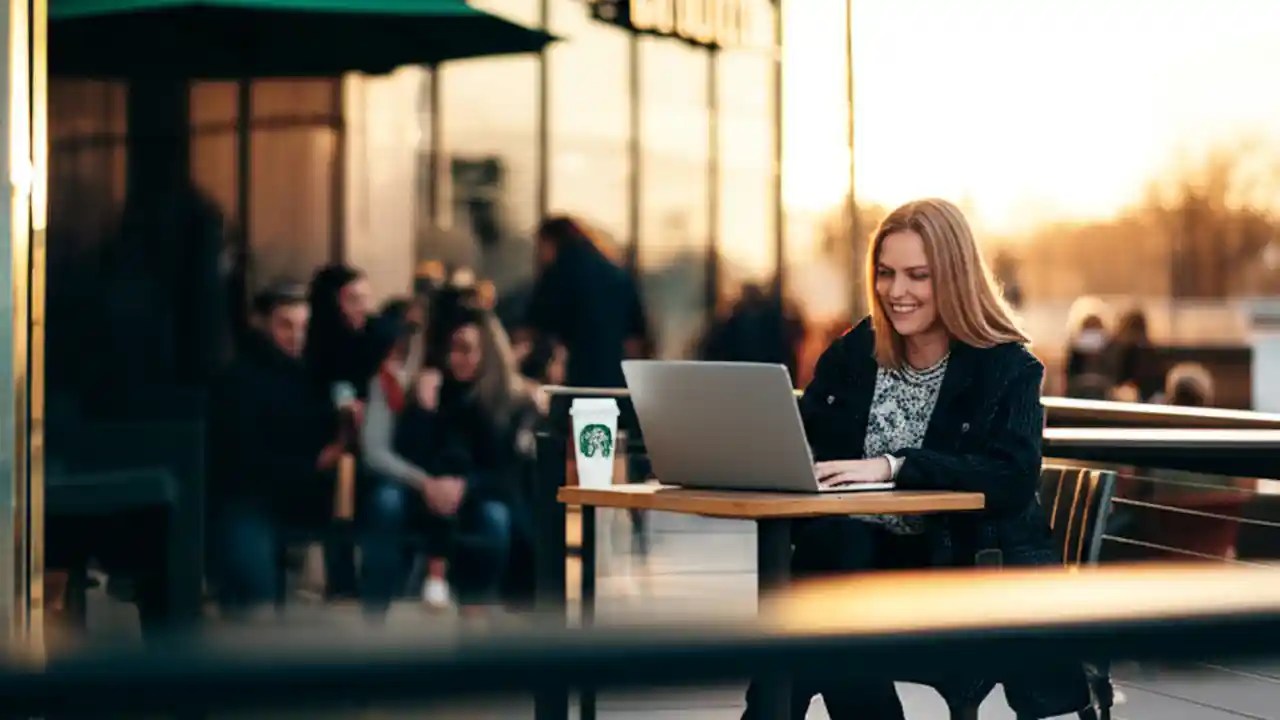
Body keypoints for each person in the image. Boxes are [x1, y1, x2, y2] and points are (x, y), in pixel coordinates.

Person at [741, 198, 1089, 719]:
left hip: (953, 569)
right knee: (834, 562)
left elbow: (1012, 477)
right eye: (885, 274)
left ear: (953, 277)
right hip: (855, 565)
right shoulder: (855, 354)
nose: (896, 292)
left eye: (917, 276)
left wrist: (895, 465)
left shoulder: (1007, 369)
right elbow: (804, 441)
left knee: (819, 605)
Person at [360, 302, 531, 614]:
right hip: (423, 488)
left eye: (466, 349)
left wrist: (463, 486)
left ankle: (475, 609)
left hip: (478, 490)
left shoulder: (505, 399)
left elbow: (505, 471)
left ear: (487, 353)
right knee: (385, 502)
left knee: (495, 519)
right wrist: (424, 411)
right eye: (452, 349)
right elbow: (410, 453)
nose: (457, 359)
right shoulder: (431, 386)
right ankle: (376, 612)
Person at [207, 283, 344, 618]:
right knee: (257, 609)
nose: (297, 336)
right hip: (246, 502)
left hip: (292, 500)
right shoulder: (240, 380)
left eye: (303, 327)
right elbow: (244, 459)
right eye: (286, 325)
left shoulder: (306, 373)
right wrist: (314, 463)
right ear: (263, 324)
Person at [519, 215, 651, 388]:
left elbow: (532, 328)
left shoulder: (559, 273)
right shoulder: (617, 274)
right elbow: (636, 340)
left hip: (578, 376)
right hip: (615, 378)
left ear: (550, 242)